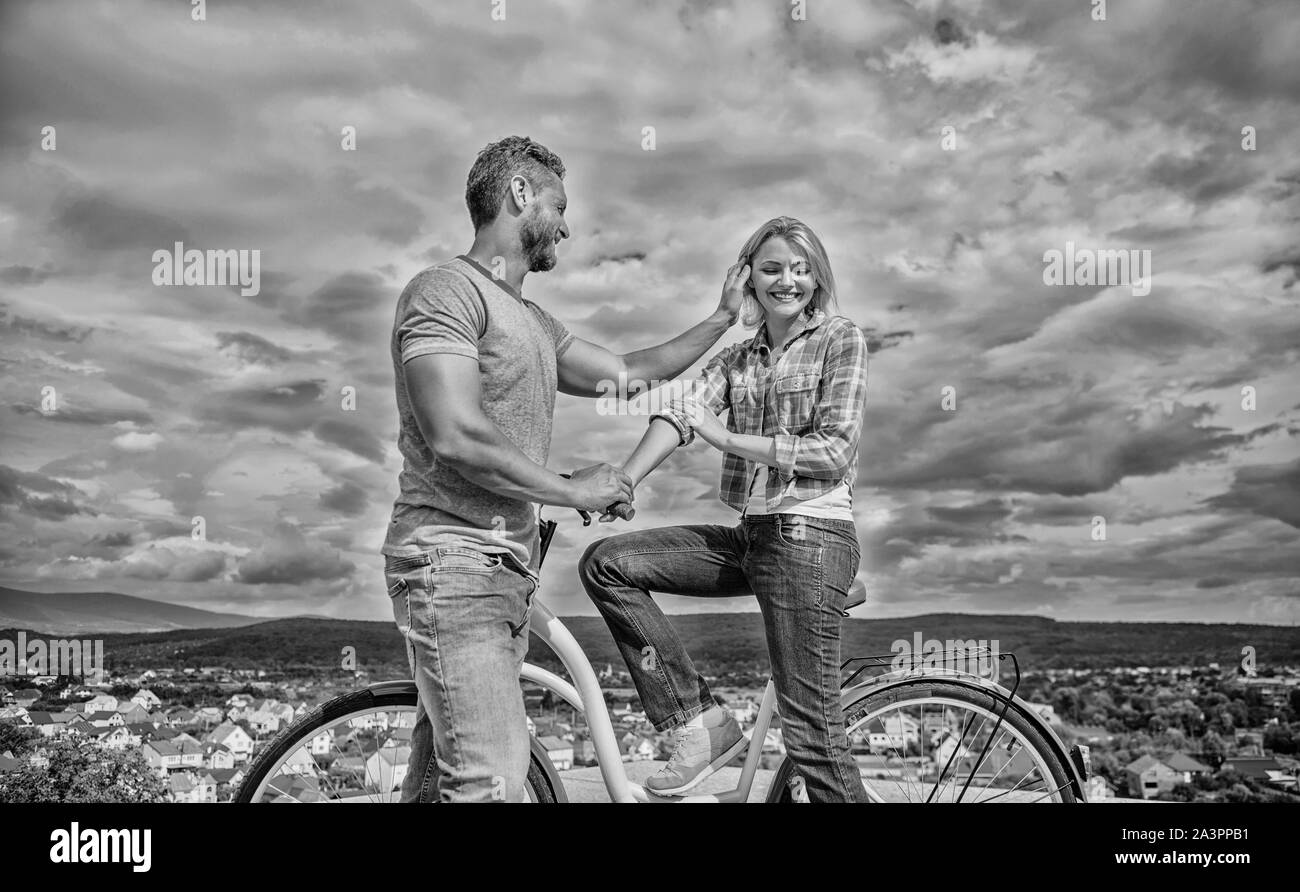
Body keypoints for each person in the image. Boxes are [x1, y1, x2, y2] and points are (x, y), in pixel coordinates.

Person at [382, 136, 748, 802]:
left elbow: (630, 373)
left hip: (501, 575)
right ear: (520, 193)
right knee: (492, 783)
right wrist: (568, 489)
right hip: (454, 565)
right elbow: (455, 433)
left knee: (440, 785)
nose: (568, 226)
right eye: (560, 205)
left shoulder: (534, 322)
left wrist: (721, 319)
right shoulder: (445, 291)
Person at [580, 216, 871, 801]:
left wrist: (728, 439)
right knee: (607, 564)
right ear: (747, 279)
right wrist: (624, 481)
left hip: (812, 538)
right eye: (770, 268)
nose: (787, 280)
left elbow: (834, 450)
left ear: (818, 274)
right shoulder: (739, 359)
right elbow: (684, 413)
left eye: (800, 267)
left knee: (810, 733)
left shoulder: (841, 339)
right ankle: (704, 725)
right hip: (755, 536)